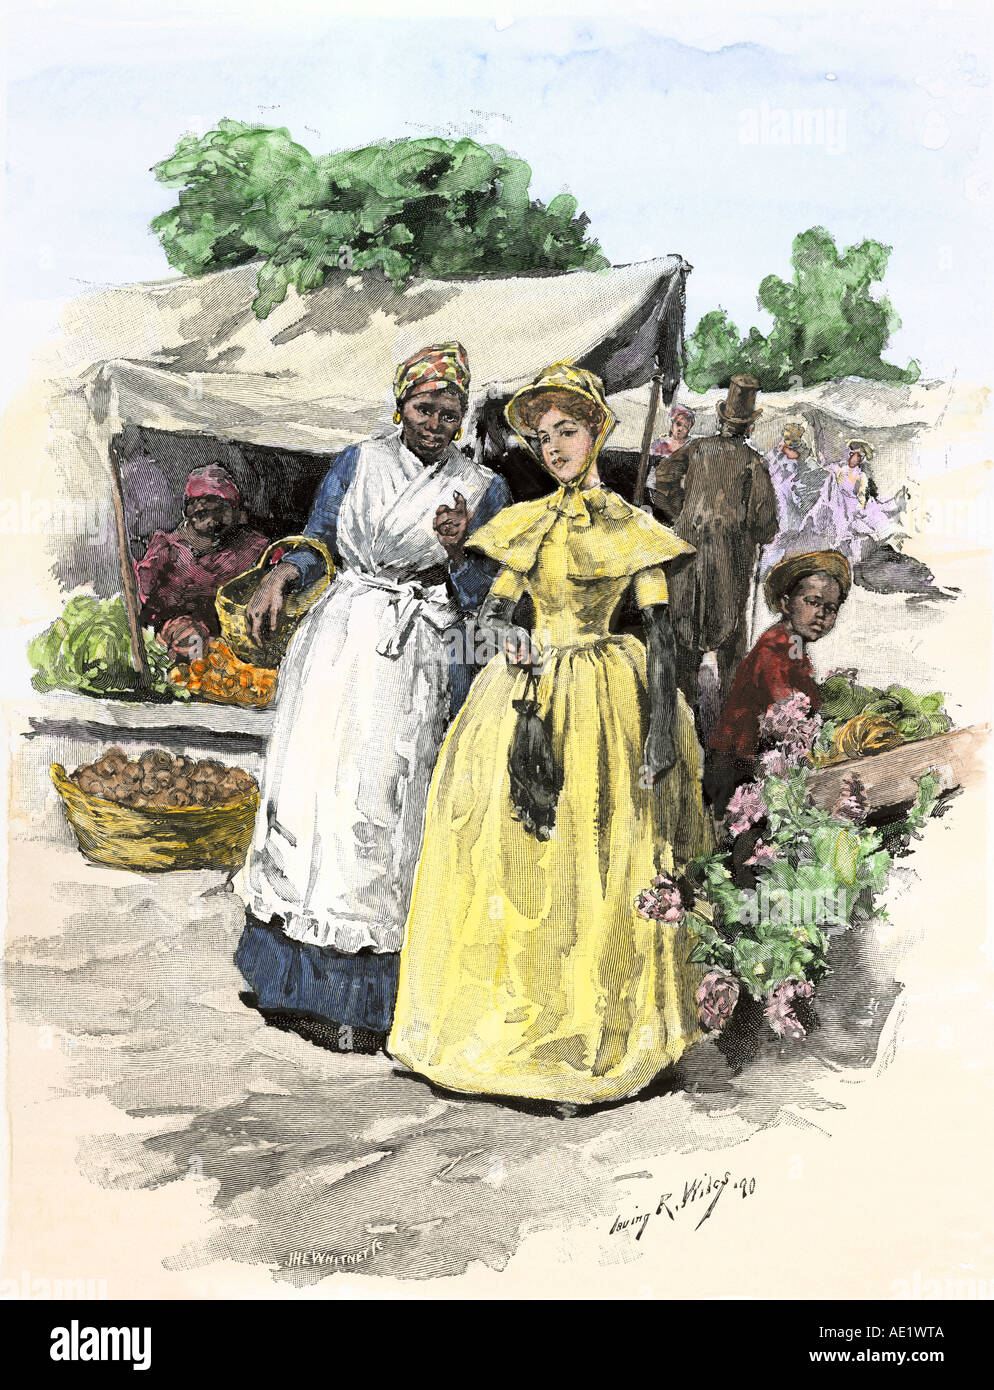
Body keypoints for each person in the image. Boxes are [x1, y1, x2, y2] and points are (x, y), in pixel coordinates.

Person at [387, 362, 711, 1108]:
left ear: (597, 431)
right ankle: (507, 1031)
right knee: (507, 851)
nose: (555, 447)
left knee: (598, 851)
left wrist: (661, 729)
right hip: (527, 692)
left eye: (568, 431)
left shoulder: (629, 527)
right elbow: (496, 612)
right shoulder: (529, 521)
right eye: (542, 437)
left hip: (604, 693)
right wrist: (505, 639)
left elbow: (660, 635)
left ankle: (592, 1031)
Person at [233, 342, 512, 1053]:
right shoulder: (359, 460)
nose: (436, 421)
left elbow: (492, 597)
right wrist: (280, 577)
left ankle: (371, 1006)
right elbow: (320, 542)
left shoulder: (483, 487)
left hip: (419, 658)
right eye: (425, 407)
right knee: (311, 803)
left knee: (383, 817)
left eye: (450, 412)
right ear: (401, 406)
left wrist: (459, 551)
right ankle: (289, 986)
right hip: (340, 647)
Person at [660, 375, 779, 715]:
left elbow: (664, 479)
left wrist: (681, 512)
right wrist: (755, 532)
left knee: (684, 616)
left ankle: (681, 707)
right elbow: (766, 522)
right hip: (731, 556)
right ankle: (730, 714)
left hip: (689, 548)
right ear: (747, 428)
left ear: (722, 421)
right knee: (731, 629)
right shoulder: (752, 462)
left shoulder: (697, 449)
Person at [705, 549, 851, 813]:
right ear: (786, 604)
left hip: (761, 759)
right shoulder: (773, 649)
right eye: (812, 602)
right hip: (738, 769)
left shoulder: (795, 647)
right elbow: (788, 711)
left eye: (830, 608)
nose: (821, 615)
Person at [134, 464, 269, 663]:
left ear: (236, 514)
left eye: (221, 512)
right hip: (168, 646)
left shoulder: (251, 551)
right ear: (188, 511)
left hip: (228, 651)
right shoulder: (166, 550)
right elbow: (145, 609)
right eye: (203, 512)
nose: (212, 521)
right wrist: (171, 629)